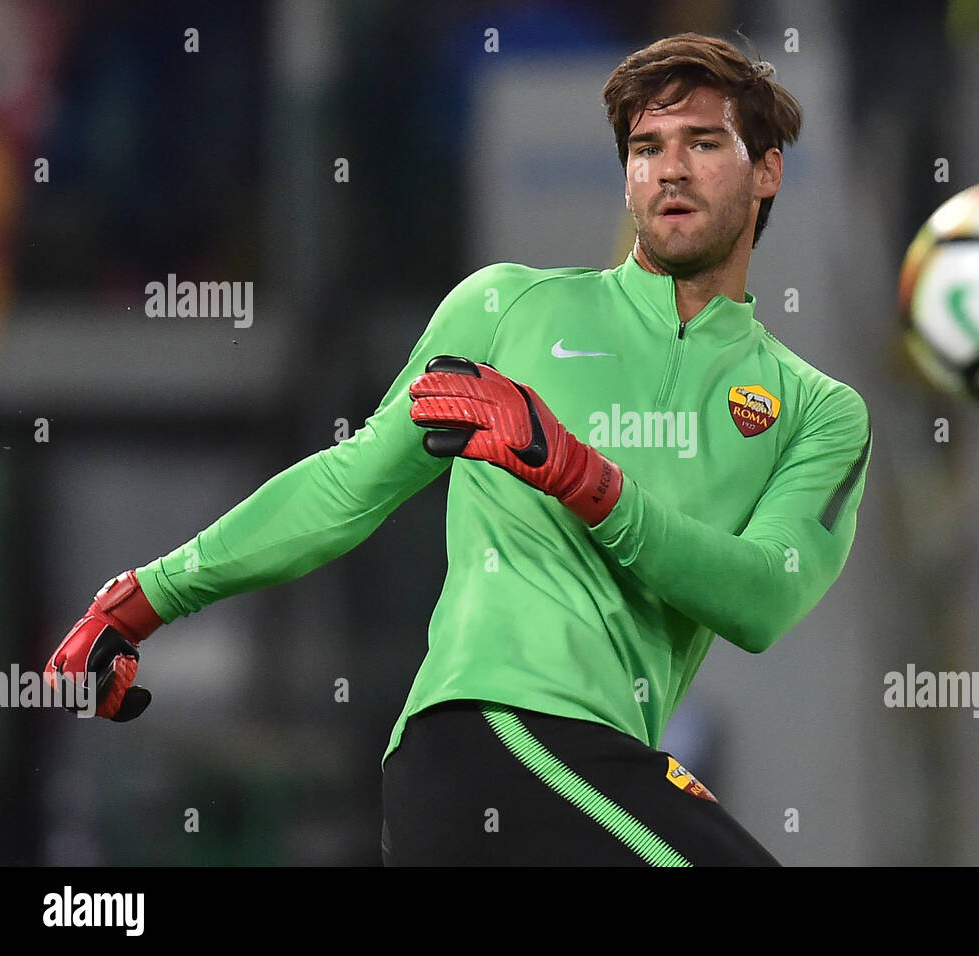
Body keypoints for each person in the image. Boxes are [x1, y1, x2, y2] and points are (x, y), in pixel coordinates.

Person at [44, 32, 872, 867]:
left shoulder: (818, 410)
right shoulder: (506, 308)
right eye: (646, 148)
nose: (671, 169)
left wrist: (590, 483)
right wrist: (146, 597)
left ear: (767, 169)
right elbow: (347, 485)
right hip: (490, 739)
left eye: (703, 142)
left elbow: (764, 599)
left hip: (592, 765)